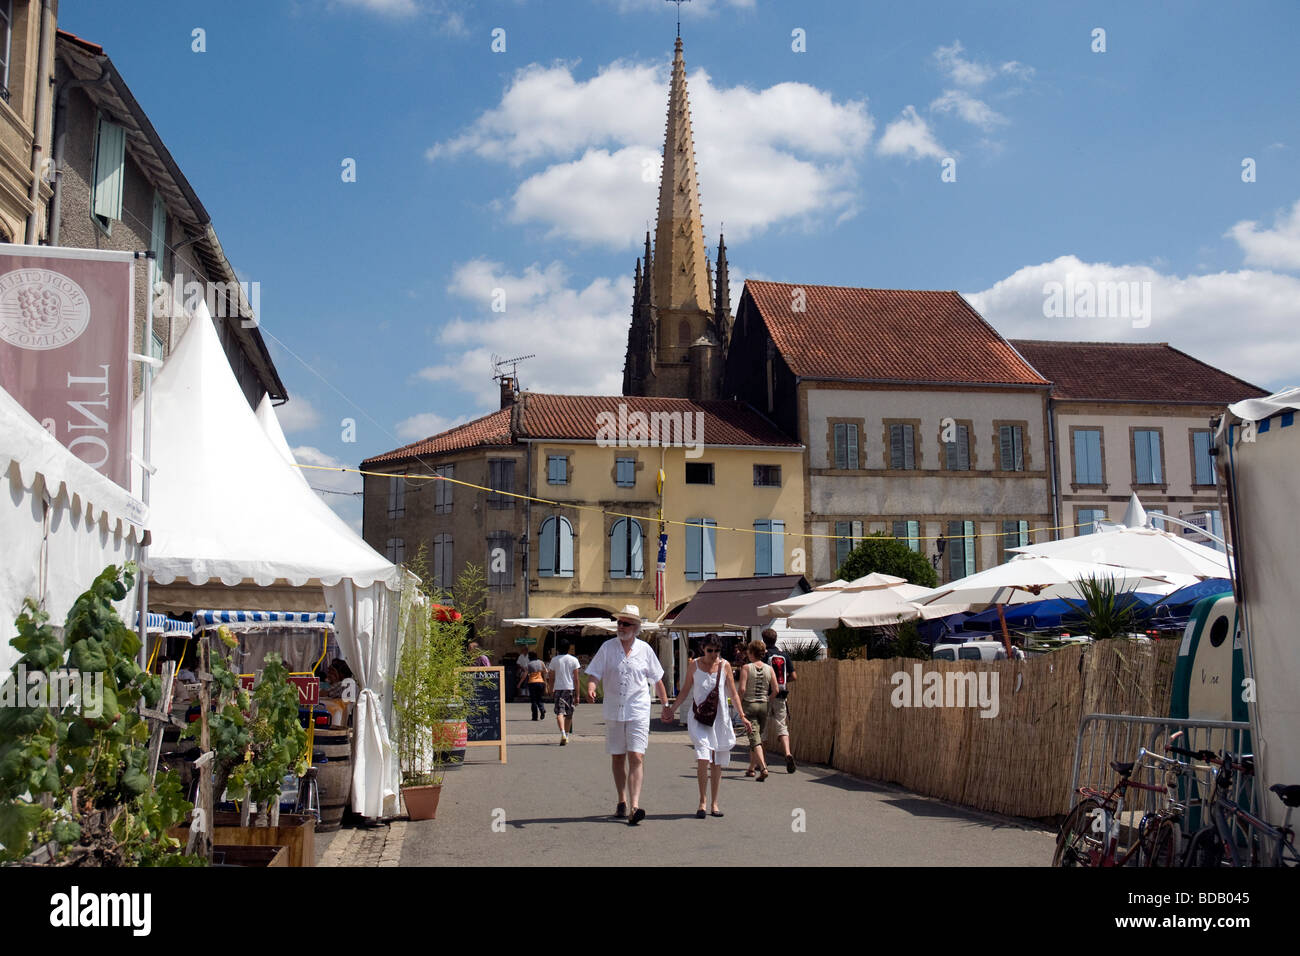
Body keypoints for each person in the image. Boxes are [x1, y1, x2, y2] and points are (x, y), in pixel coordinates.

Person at [584, 605, 668, 826]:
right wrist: (591, 687)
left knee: (636, 756)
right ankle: (621, 799)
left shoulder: (645, 649)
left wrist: (666, 704)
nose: (621, 627)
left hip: (638, 709)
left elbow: (657, 679)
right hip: (613, 709)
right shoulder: (607, 647)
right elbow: (594, 672)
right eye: (619, 623)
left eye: (626, 623)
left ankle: (635, 805)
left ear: (636, 627)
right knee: (618, 756)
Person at [665, 634, 750, 817]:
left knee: (717, 762)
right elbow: (685, 690)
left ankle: (715, 803)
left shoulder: (725, 665)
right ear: (703, 648)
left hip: (719, 719)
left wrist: (742, 716)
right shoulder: (694, 665)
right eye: (709, 650)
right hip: (699, 719)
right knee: (703, 757)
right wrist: (671, 709)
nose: (713, 654)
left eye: (716, 650)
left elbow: (733, 694)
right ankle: (702, 801)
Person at [738, 640, 778, 781]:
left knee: (754, 739)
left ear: (751, 652)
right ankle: (751, 768)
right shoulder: (769, 668)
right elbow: (776, 689)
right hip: (764, 705)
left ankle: (763, 767)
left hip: (750, 704)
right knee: (756, 737)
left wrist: (739, 702)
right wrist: (768, 698)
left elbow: (742, 688)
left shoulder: (746, 668)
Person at [761, 628, 798, 773]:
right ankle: (787, 753)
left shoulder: (764, 655)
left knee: (762, 728)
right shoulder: (784, 655)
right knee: (781, 726)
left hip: (767, 694)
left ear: (764, 641)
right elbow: (794, 676)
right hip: (782, 695)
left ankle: (762, 759)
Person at [548, 638, 582, 745]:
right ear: (568, 648)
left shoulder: (554, 660)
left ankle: (562, 732)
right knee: (569, 714)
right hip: (570, 688)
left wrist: (550, 688)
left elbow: (551, 677)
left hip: (558, 688)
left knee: (559, 712)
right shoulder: (574, 660)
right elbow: (576, 679)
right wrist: (578, 695)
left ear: (558, 649)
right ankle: (566, 735)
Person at [524, 653, 547, 720]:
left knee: (533, 700)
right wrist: (545, 682)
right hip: (541, 682)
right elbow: (545, 672)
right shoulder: (541, 662)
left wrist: (520, 683)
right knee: (539, 698)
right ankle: (542, 709)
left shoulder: (528, 664)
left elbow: (525, 675)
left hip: (532, 683)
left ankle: (535, 716)